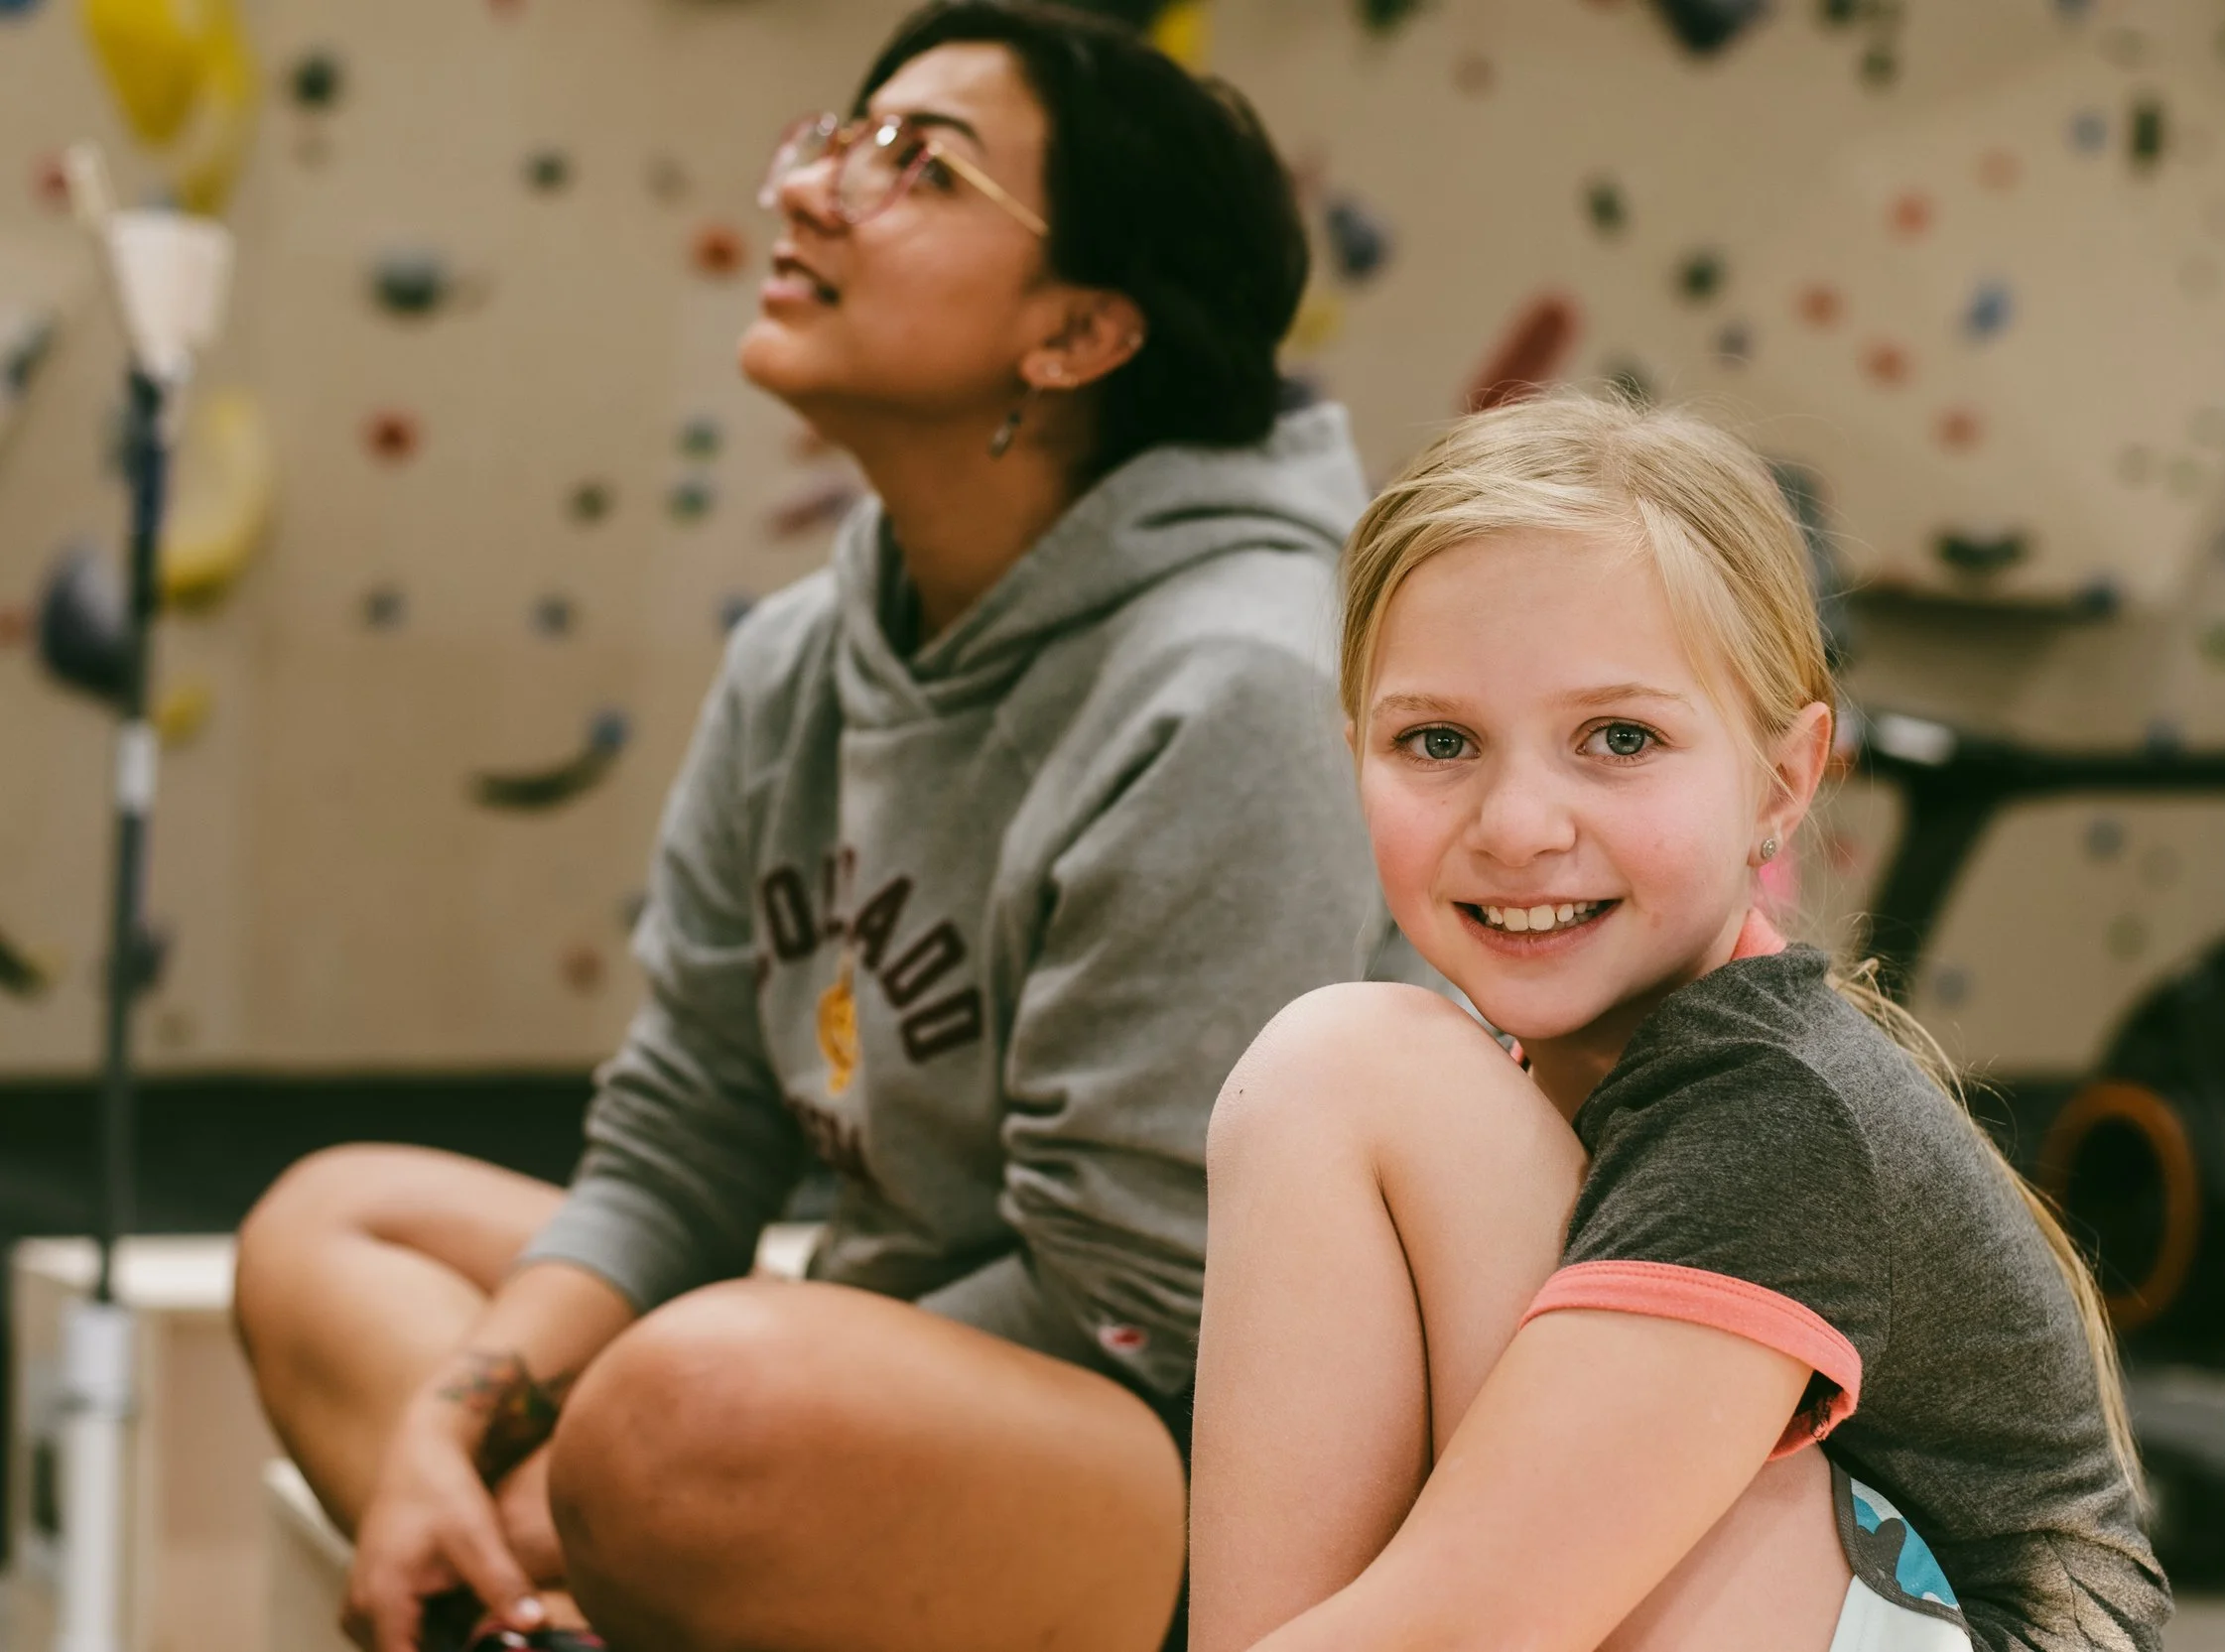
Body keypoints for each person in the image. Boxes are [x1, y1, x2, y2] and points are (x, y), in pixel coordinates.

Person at [233, 7, 1391, 1651]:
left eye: (919, 168)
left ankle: (542, 1561)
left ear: (1076, 334)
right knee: (328, 1227)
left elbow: (1133, 1307)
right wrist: (455, 1416)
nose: (813, 194)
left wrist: (609, 1439)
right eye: (840, 139)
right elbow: (683, 1139)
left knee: (688, 1412)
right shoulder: (802, 656)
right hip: (863, 1367)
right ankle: (545, 1585)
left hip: (1190, 1471)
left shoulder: (1238, 686)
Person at [1188, 394, 2172, 1652]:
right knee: (1355, 1078)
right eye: (1438, 741)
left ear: (1782, 779)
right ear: (1355, 758)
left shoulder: (1773, 1108)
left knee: (1345, 1069)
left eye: (1618, 738)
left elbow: (1451, 1632)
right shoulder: (1502, 1096)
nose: (1517, 825)